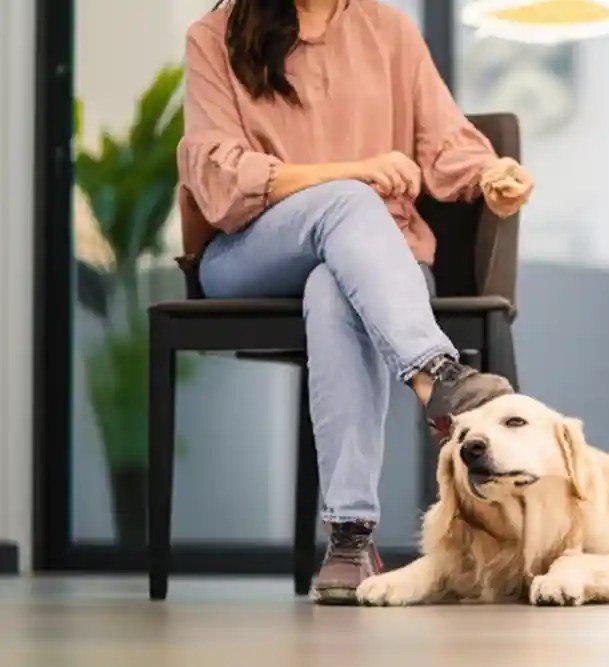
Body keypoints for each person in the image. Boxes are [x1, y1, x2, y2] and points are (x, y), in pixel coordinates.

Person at [177, 0, 534, 604]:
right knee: (348, 201)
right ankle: (436, 375)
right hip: (252, 253)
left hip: (374, 266)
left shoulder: (387, 29)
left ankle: (349, 537)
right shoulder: (214, 36)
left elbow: (445, 141)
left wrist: (491, 176)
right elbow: (220, 178)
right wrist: (355, 175)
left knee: (333, 285)